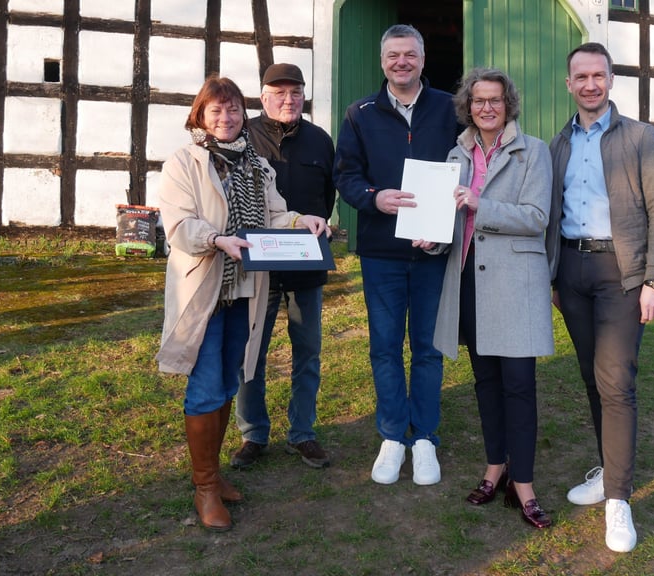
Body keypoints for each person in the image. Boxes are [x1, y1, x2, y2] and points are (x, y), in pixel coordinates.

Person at [156, 75, 329, 532]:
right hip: (206, 291)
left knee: (231, 382)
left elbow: (275, 214)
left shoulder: (257, 166)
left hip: (245, 292)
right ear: (201, 116)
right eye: (216, 110)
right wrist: (217, 239)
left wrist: (301, 220)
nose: (226, 118)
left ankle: (216, 475)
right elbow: (178, 226)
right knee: (207, 386)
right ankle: (205, 487)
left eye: (232, 109)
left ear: (241, 113)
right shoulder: (183, 162)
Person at [546, 42, 654, 552]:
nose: (590, 84)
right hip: (573, 271)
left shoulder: (640, 137)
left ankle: (618, 499)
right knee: (591, 376)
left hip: (622, 271)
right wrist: (555, 278)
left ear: (611, 80)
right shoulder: (558, 143)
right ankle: (607, 470)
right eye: (581, 76)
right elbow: (551, 213)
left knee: (616, 380)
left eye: (598, 75)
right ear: (569, 83)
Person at [424, 68, 554, 529]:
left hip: (516, 286)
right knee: (486, 384)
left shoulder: (532, 151)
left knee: (518, 385)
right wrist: (432, 239)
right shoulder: (454, 154)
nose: (486, 108)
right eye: (478, 101)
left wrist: (481, 204)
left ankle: (524, 485)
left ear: (508, 104)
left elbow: (536, 217)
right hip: (469, 284)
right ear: (468, 106)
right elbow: (450, 221)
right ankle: (494, 468)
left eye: (495, 100)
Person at [334, 24, 460, 486]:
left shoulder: (451, 108)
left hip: (432, 251)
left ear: (423, 59)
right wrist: (373, 197)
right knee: (385, 346)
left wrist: (444, 228)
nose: (401, 62)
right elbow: (346, 176)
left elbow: (467, 167)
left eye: (410, 54)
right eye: (393, 55)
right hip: (381, 252)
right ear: (382, 61)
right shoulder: (360, 113)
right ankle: (392, 435)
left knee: (428, 348)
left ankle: (424, 436)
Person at [230, 63, 336, 470]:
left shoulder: (320, 141)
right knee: (250, 353)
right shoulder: (243, 138)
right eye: (279, 93)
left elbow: (327, 196)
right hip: (257, 269)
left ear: (304, 96)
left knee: (307, 351)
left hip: (307, 268)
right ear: (263, 97)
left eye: (295, 92)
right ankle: (253, 434)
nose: (288, 99)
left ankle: (303, 433)